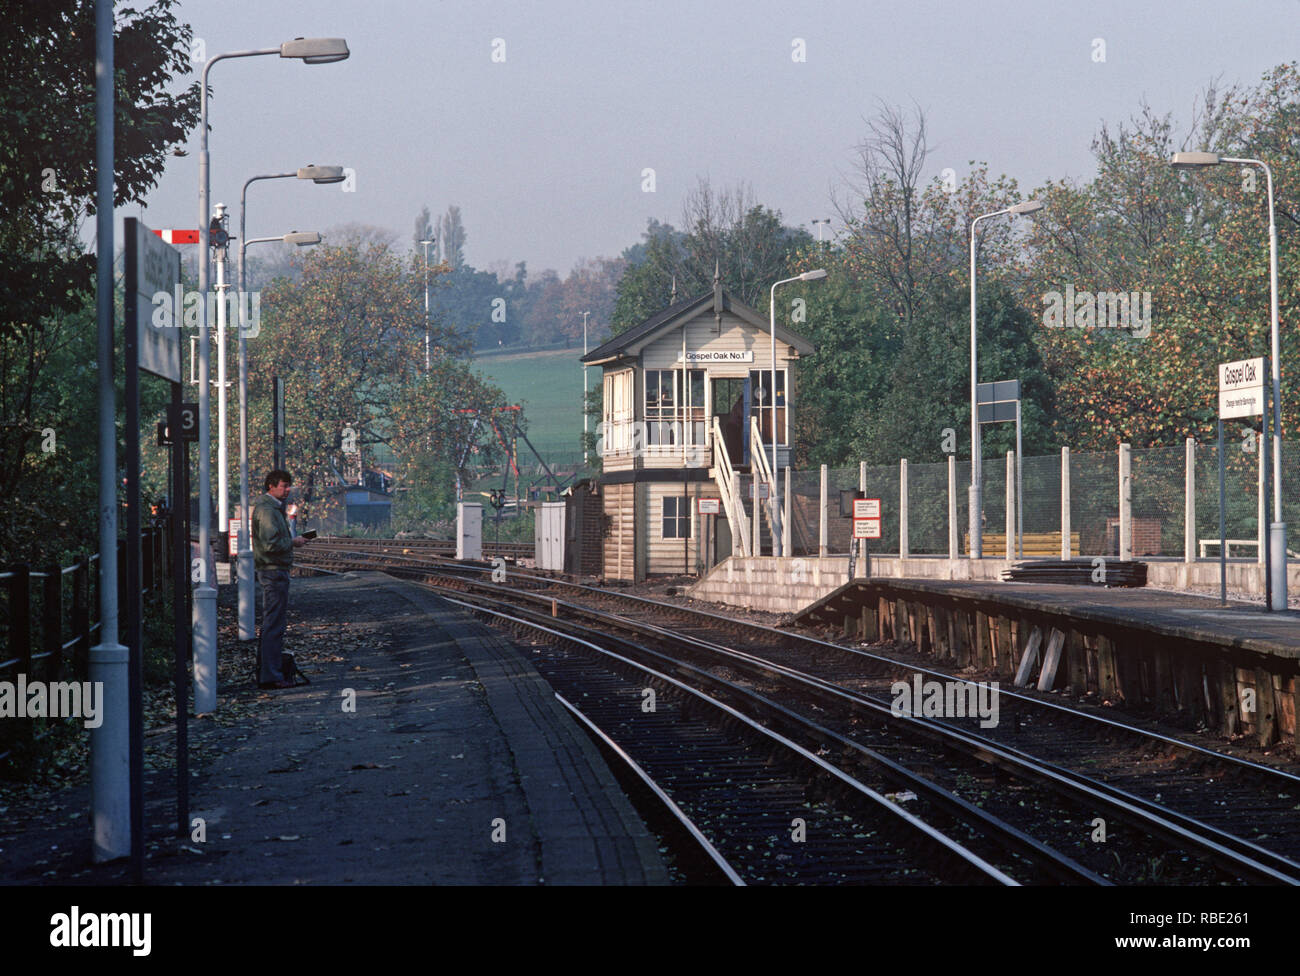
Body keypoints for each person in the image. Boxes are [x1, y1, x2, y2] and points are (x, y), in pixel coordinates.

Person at [252, 469, 309, 689]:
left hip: (274, 570)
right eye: (284, 486)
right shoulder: (267, 511)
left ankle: (270, 672)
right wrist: (293, 543)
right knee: (274, 624)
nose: (287, 490)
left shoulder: (272, 509)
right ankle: (271, 676)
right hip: (273, 570)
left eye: (288, 486)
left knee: (273, 623)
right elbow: (270, 544)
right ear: (271, 486)